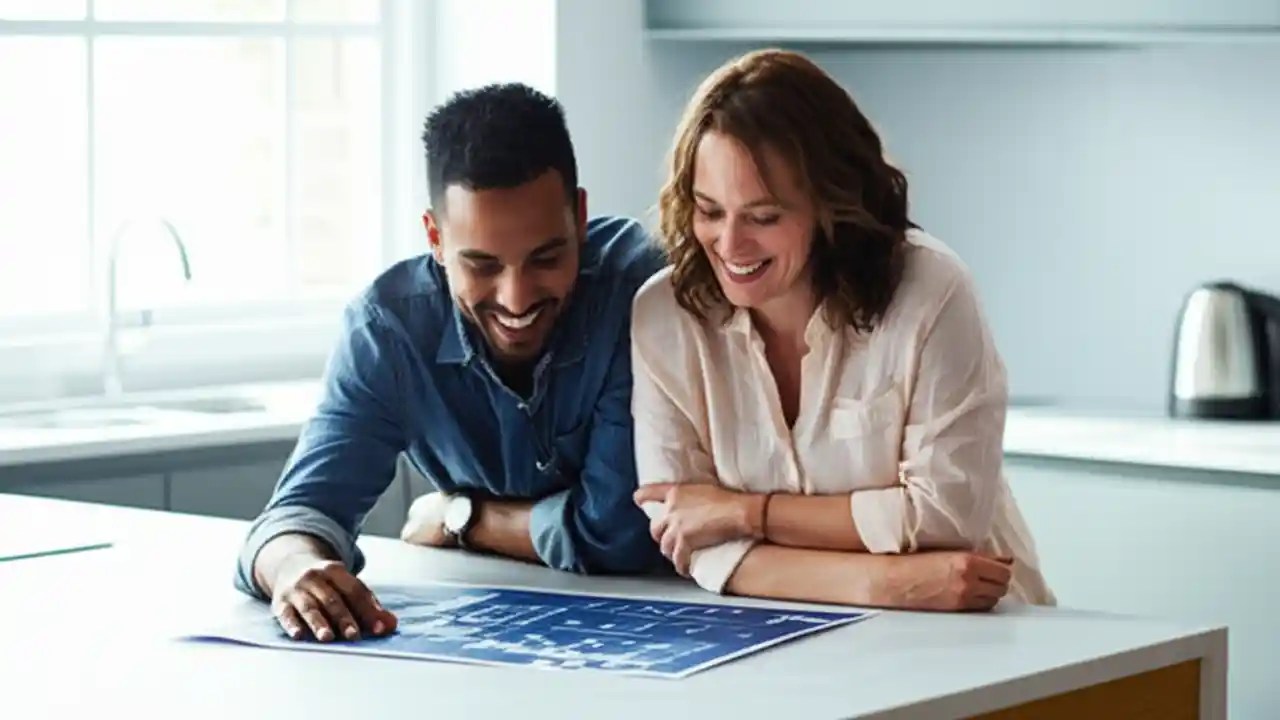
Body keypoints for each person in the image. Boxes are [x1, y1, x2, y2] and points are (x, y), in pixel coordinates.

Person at [235, 83, 668, 642]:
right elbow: (296, 515)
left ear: (580, 217)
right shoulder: (388, 330)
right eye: (482, 265)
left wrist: (461, 517)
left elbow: (617, 532)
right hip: (488, 620)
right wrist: (294, 567)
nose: (516, 298)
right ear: (435, 238)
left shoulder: (640, 291)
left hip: (661, 615)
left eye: (546, 258)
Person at [630, 49, 1054, 611]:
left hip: (978, 627)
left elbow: (946, 517)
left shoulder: (931, 291)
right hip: (809, 626)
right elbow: (682, 530)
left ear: (830, 205)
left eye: (763, 217)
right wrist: (888, 582)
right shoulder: (664, 313)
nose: (729, 245)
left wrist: (743, 513)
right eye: (709, 211)